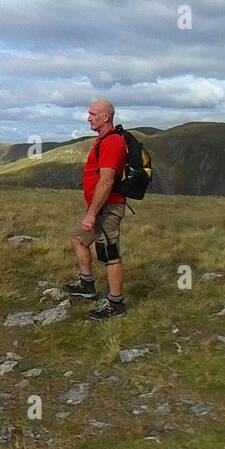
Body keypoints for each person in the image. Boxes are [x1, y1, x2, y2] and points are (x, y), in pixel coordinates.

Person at [66, 99, 136, 319]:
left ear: (106, 117)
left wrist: (92, 214)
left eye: (92, 113)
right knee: (79, 239)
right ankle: (87, 285)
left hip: (108, 209)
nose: (88, 117)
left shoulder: (112, 142)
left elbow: (106, 182)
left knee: (110, 255)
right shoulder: (104, 140)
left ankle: (116, 303)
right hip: (100, 208)